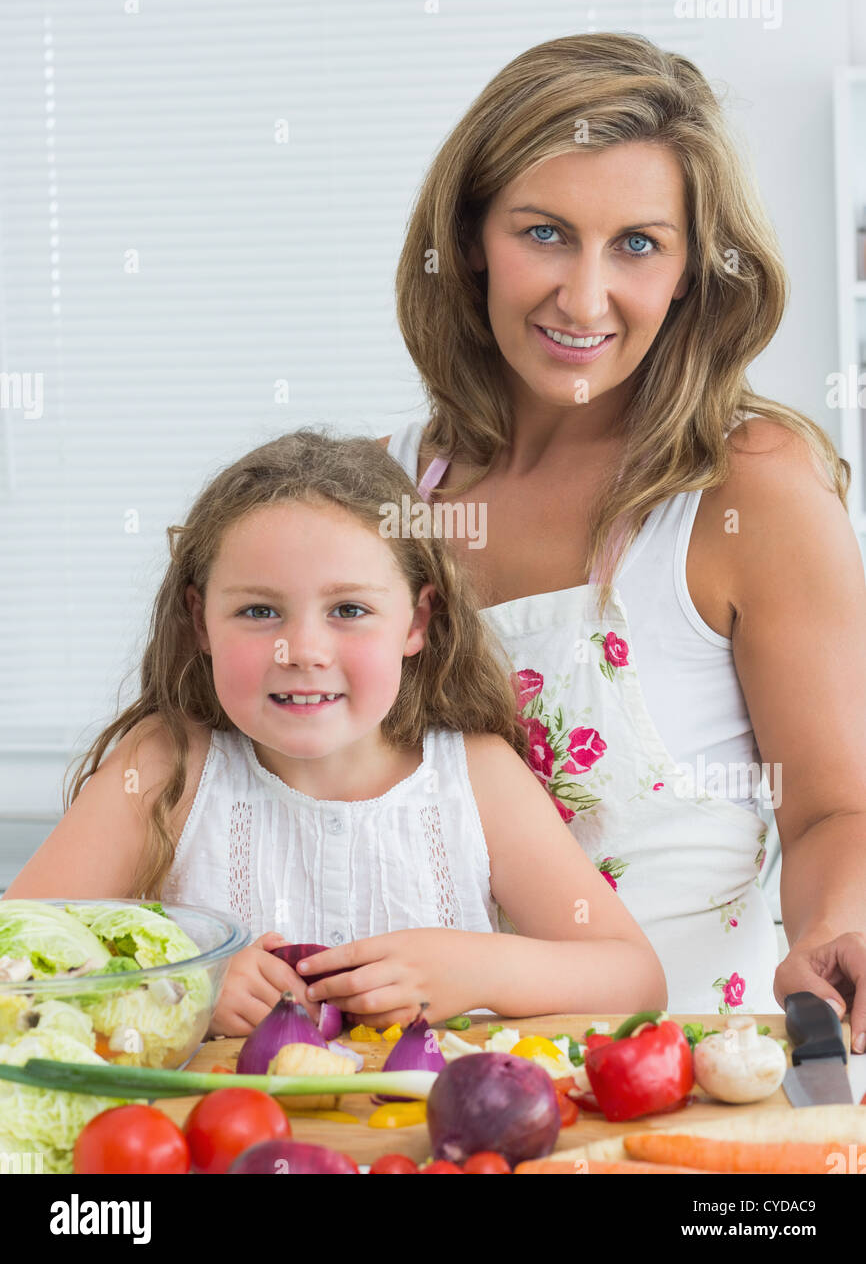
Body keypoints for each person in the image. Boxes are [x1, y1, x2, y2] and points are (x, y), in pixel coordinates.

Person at [381, 30, 866, 1038]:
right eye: (543, 232)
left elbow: (833, 807)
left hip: (676, 1087)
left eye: (637, 244)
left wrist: (836, 926)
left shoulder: (746, 486)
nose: (583, 296)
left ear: (692, 270)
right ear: (469, 238)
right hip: (417, 1090)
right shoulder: (379, 492)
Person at [2, 428, 667, 1035]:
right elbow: (14, 951)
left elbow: (635, 979)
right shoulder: (164, 766)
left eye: (349, 609)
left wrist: (479, 969)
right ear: (200, 621)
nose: (303, 650)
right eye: (259, 610)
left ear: (416, 620)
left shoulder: (478, 775)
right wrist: (181, 986)